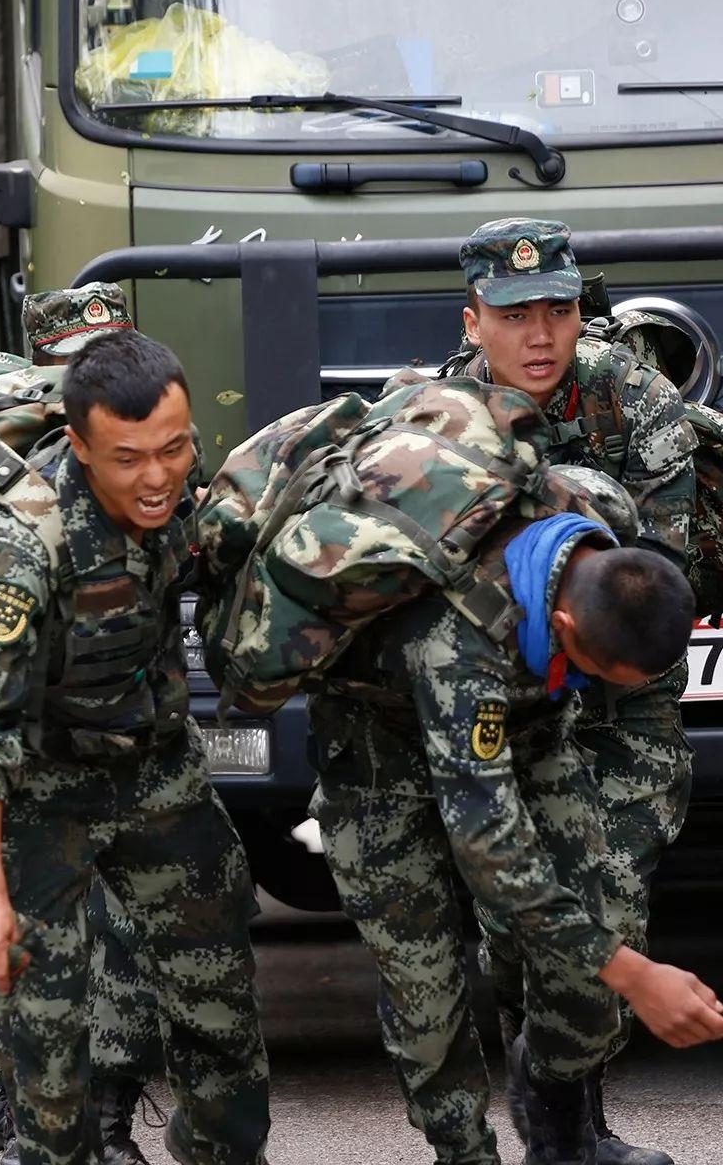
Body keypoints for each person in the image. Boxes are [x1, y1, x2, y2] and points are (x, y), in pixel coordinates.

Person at [309, 483, 723, 1165]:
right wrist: (639, 977)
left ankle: (562, 1140)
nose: (608, 692)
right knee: (427, 997)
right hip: (382, 755)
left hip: (529, 721)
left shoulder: (596, 512)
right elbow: (493, 851)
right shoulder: (462, 648)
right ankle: (464, 1152)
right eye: (603, 675)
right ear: (564, 629)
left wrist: (612, 961)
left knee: (601, 926)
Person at [0, 329, 270, 1165]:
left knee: (220, 1009)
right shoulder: (24, 544)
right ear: (79, 447)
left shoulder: (180, 488)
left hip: (156, 771)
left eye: (174, 448)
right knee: (44, 1059)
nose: (157, 478)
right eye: (128, 458)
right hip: (40, 790)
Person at [452, 218, 697, 1165]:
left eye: (559, 309)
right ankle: (549, 1104)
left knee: (612, 901)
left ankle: (569, 1123)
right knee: (511, 922)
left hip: (623, 691)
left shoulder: (633, 394)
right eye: (517, 316)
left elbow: (656, 577)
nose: (542, 336)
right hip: (502, 693)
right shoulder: (435, 414)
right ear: (475, 321)